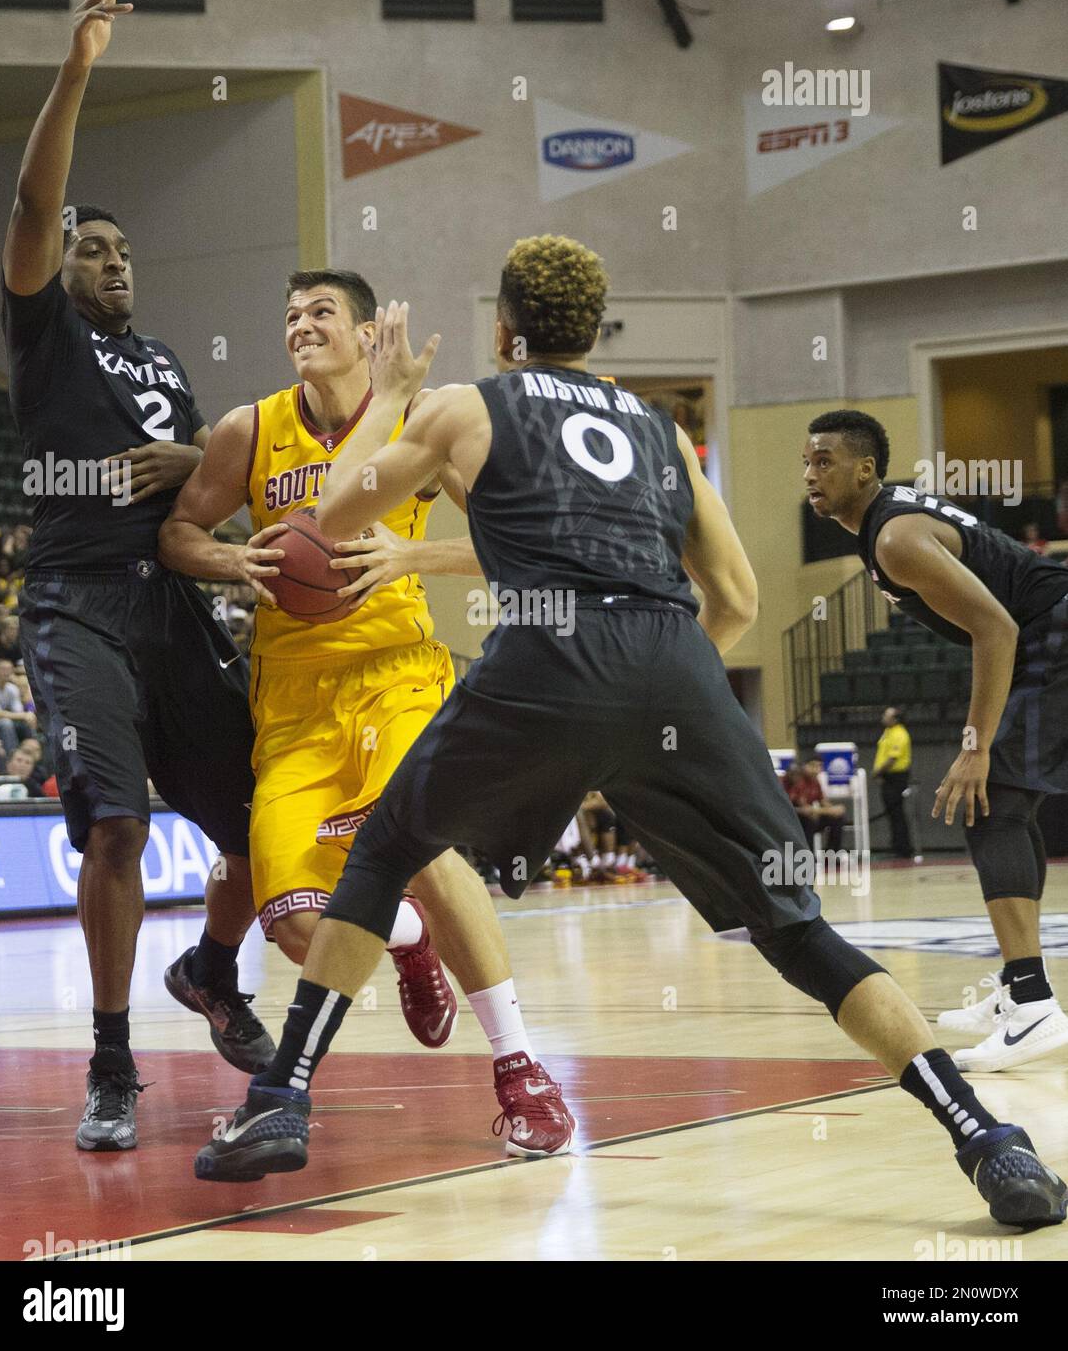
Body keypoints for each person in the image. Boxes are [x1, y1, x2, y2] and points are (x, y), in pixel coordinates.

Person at [192, 238, 1066, 1231]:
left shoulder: (469, 404)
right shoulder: (659, 427)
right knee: (802, 933)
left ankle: (279, 1101)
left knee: (388, 847)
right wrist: (652, 696)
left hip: (550, 659)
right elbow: (734, 596)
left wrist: (390, 393)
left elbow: (335, 514)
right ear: (593, 329)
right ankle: (987, 1140)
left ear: (502, 330)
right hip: (675, 668)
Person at [159, 266, 575, 1155]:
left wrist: (413, 557)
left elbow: (515, 544)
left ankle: (520, 1069)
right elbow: (179, 531)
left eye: (320, 313)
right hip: (291, 702)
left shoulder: (425, 424)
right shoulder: (250, 429)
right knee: (298, 923)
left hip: (399, 675)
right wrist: (234, 564)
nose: (300, 326)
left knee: (424, 847)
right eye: (289, 315)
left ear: (361, 334)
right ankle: (409, 939)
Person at [1, 0, 277, 1152]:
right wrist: (75, 73)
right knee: (114, 827)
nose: (112, 260)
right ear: (56, 269)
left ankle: (213, 969)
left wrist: (193, 475)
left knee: (265, 829)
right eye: (90, 247)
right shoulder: (43, 332)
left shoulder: (165, 362)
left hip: (171, 602)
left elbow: (200, 496)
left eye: (122, 250)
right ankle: (112, 1062)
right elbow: (27, 211)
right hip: (77, 607)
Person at [804, 410, 1068, 1073]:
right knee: (1005, 807)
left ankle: (1032, 1004)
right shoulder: (881, 531)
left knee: (990, 800)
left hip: (1052, 633)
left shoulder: (894, 539)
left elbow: (996, 630)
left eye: (825, 460)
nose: (810, 473)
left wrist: (973, 744)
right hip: (1044, 633)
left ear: (865, 469)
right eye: (807, 461)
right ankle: (1017, 990)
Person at [873, 707, 915, 860]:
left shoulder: (899, 734)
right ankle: (897, 846)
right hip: (888, 777)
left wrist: (877, 772)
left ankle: (904, 849)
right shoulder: (888, 732)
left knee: (897, 813)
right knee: (892, 814)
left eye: (886, 715)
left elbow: (892, 758)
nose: (883, 716)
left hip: (897, 777)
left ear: (895, 718)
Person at [784, 758, 845, 853]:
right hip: (795, 819)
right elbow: (805, 809)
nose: (816, 769)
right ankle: (807, 855)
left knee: (837, 818)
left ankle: (832, 854)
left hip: (811, 815)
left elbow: (822, 801)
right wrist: (828, 811)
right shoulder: (799, 781)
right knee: (808, 819)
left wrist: (834, 810)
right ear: (805, 767)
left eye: (819, 766)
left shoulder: (815, 782)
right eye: (813, 766)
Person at [0, 658, 34, 756]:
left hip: (6, 720)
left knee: (25, 723)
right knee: (6, 723)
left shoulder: (12, 688)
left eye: (9, 669)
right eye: (3, 669)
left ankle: (31, 754)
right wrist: (25, 715)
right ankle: (11, 756)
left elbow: (18, 711)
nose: (7, 672)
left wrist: (27, 716)